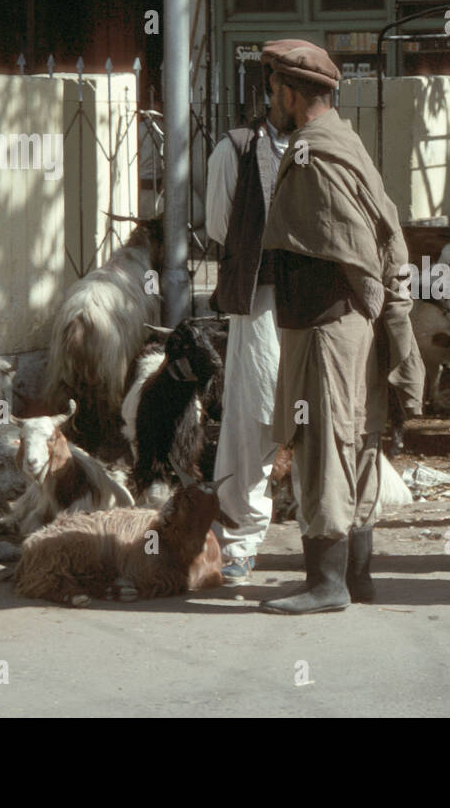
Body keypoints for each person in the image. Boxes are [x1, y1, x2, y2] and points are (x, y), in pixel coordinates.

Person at [258, 39, 424, 615]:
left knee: (323, 446)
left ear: (291, 92)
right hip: (346, 325)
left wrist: (373, 307)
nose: (268, 100)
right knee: (354, 440)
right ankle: (358, 576)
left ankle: (327, 584)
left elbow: (356, 248)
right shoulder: (342, 141)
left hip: (327, 325)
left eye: (272, 88)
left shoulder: (311, 153)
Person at [203, 64, 291, 582]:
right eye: (291, 88)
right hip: (260, 299)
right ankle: (240, 537)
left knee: (318, 413)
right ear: (272, 92)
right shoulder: (235, 148)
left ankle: (328, 541)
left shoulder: (324, 145)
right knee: (254, 413)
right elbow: (220, 224)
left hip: (316, 302)